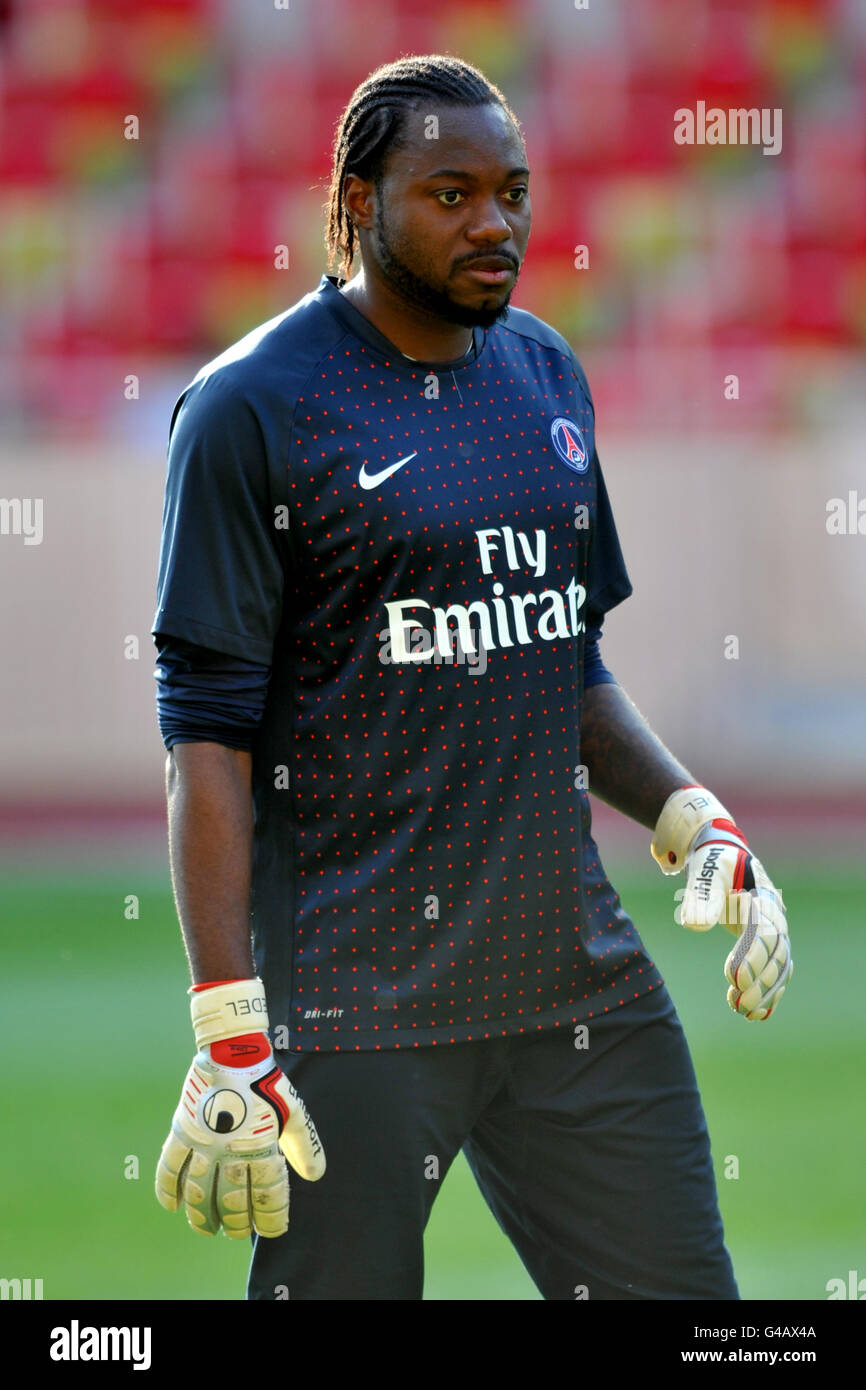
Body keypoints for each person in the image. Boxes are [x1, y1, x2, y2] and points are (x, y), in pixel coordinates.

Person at [150, 54, 792, 1301]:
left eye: (511, 191)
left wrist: (687, 814)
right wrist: (229, 1025)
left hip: (574, 982)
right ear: (355, 202)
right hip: (359, 1006)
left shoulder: (546, 375)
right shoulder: (249, 407)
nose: (493, 223)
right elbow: (207, 739)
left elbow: (567, 660)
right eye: (449, 194)